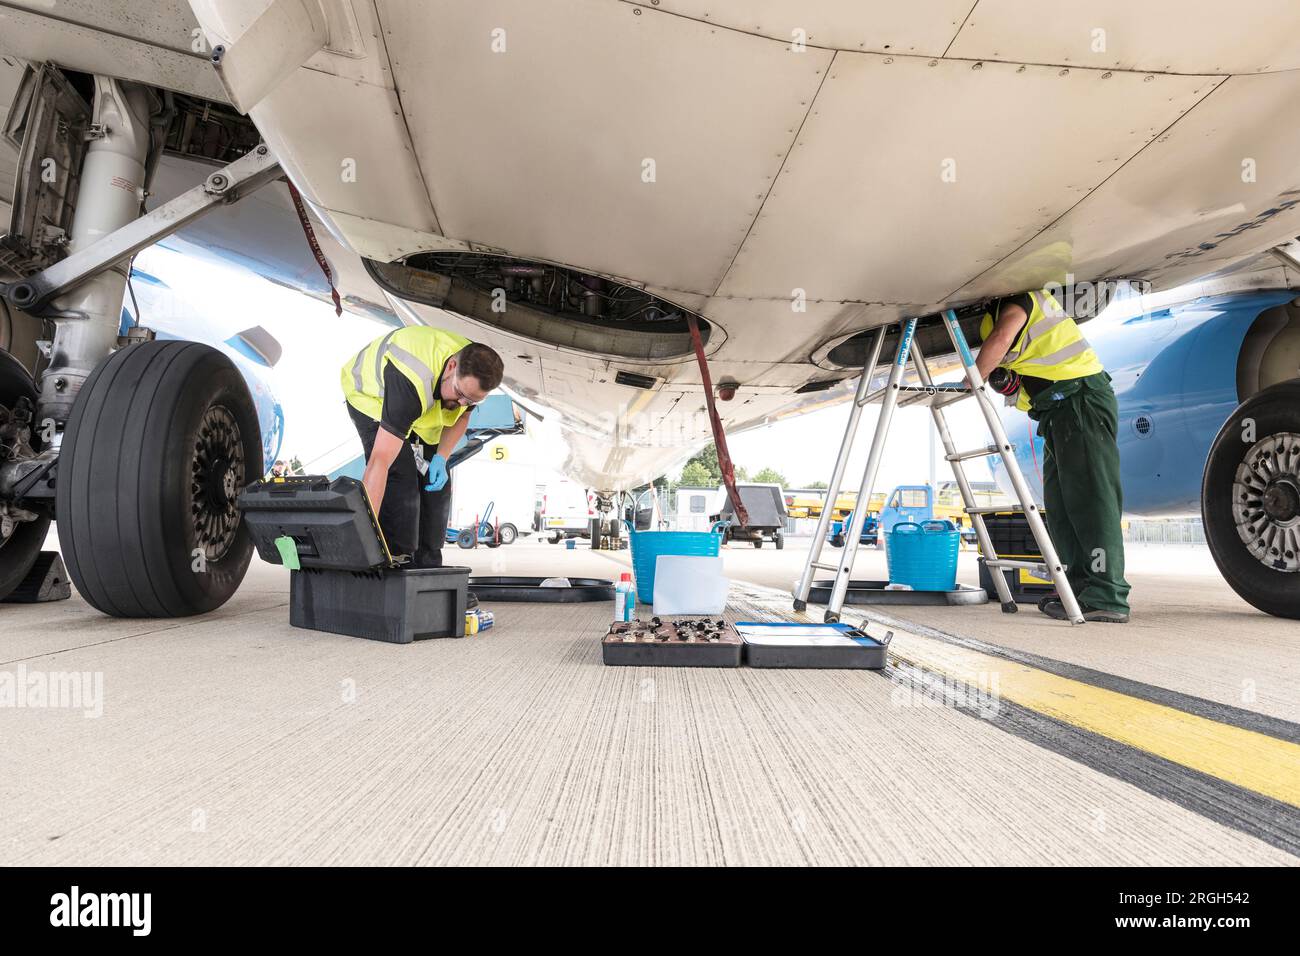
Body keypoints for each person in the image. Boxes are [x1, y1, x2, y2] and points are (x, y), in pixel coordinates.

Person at [976, 289, 1131, 623]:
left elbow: (1003, 338)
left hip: (1080, 402)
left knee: (1091, 501)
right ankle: (1077, 588)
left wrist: (970, 381)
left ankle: (1107, 594)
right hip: (1055, 411)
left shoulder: (1021, 300)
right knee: (1062, 508)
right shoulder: (996, 311)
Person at [340, 327, 504, 568]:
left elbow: (462, 416)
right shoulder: (410, 378)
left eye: (471, 401)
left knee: (436, 485)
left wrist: (441, 457)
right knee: (400, 474)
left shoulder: (474, 369)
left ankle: (428, 569)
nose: (462, 403)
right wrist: (364, 536)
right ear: (451, 367)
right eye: (460, 394)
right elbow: (380, 462)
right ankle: (396, 563)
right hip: (373, 399)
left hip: (426, 408)